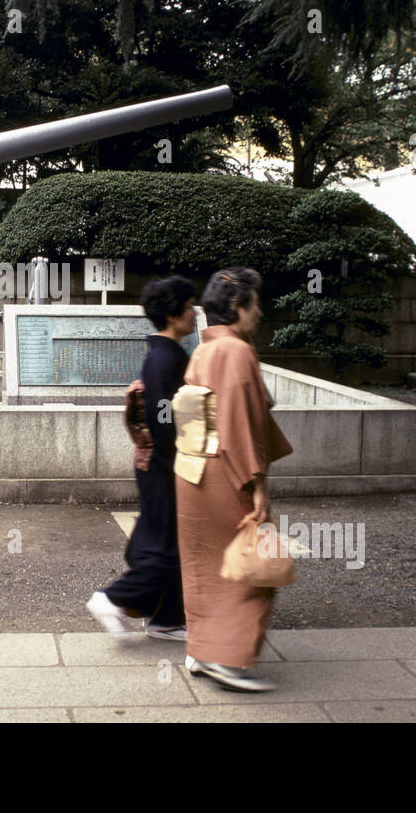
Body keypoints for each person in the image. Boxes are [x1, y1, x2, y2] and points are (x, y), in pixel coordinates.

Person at [174, 267, 291, 692]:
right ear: (239, 306)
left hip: (192, 473)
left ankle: (203, 649)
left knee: (206, 564)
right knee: (252, 565)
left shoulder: (204, 350)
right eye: (255, 304)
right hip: (227, 471)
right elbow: (239, 421)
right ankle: (227, 659)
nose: (259, 312)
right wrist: (257, 481)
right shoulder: (237, 353)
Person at [87, 275, 196, 641]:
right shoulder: (166, 359)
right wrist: (180, 453)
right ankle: (112, 598)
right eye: (189, 305)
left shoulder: (164, 355)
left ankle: (166, 619)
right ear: (175, 312)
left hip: (159, 462)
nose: (195, 311)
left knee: (166, 538)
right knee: (165, 545)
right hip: (164, 464)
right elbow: (163, 417)